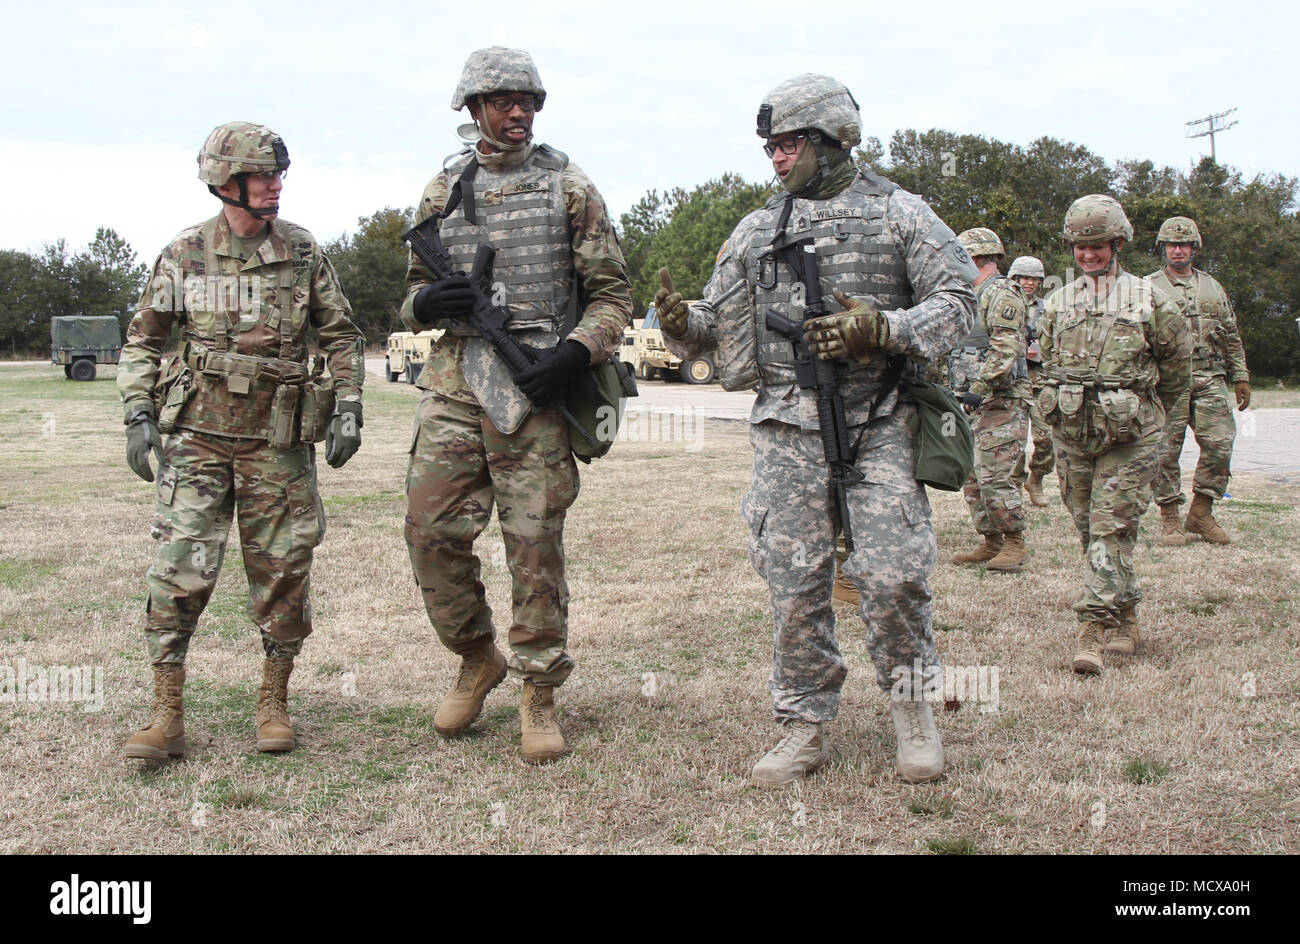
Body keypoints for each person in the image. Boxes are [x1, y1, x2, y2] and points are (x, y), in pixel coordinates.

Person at [656, 74, 976, 787]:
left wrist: (882, 327)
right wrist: (683, 325)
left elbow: (959, 305)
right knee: (794, 581)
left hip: (880, 421)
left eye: (789, 144)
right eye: (771, 147)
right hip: (787, 429)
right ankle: (803, 724)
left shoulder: (900, 213)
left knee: (893, 576)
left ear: (832, 138)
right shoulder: (757, 228)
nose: (777, 159)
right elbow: (720, 320)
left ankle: (913, 710)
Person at [400, 47, 632, 763]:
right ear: (473, 109)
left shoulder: (569, 186)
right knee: (429, 534)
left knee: (533, 548)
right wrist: (426, 302)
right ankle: (477, 656)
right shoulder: (443, 188)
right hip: (456, 382)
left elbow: (615, 297)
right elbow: (411, 295)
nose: (518, 111)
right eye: (502, 100)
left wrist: (573, 354)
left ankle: (538, 689)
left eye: (528, 99)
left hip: (536, 387)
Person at [118, 121, 365, 759]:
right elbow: (145, 337)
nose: (276, 184)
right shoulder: (186, 254)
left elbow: (340, 335)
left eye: (279, 173)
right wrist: (136, 412)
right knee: (179, 570)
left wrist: (349, 406)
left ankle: (273, 704)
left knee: (283, 572)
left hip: (277, 441)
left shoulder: (302, 251)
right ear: (225, 183)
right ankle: (166, 714)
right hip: (198, 438)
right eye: (263, 174)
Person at [1037, 195, 1189, 673]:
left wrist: (1148, 415)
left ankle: (1092, 629)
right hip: (1073, 433)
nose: (1089, 255)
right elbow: (1045, 359)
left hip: (1133, 435)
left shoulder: (1149, 299)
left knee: (1111, 526)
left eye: (1098, 246)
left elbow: (1176, 367)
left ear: (1118, 243)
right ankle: (1127, 614)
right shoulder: (1058, 300)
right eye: (1081, 248)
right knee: (1090, 531)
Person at [1147, 216, 1250, 546]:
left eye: (1185, 244)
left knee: (1220, 443)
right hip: (1167, 382)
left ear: (1195, 248)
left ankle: (1201, 513)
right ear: (1164, 248)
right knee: (1164, 452)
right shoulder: (1145, 287)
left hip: (1209, 377)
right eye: (1172, 245)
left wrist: (1241, 376)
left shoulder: (1212, 286)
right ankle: (1169, 519)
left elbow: (1230, 334)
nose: (1178, 250)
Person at [949, 229, 1031, 570]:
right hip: (971, 401)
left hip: (1001, 401)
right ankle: (990, 540)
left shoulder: (1001, 293)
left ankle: (1015, 542)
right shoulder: (970, 293)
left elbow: (1007, 347)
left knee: (995, 474)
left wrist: (980, 386)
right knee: (972, 474)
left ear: (977, 257)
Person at [1007, 255, 1053, 507]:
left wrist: (1041, 351)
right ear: (1014, 278)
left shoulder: (1047, 309)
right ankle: (1014, 486)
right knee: (1014, 441)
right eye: (1024, 278)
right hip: (1013, 381)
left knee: (1046, 439)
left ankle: (1036, 478)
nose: (1029, 283)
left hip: (1041, 380)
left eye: (1034, 279)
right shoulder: (1004, 304)